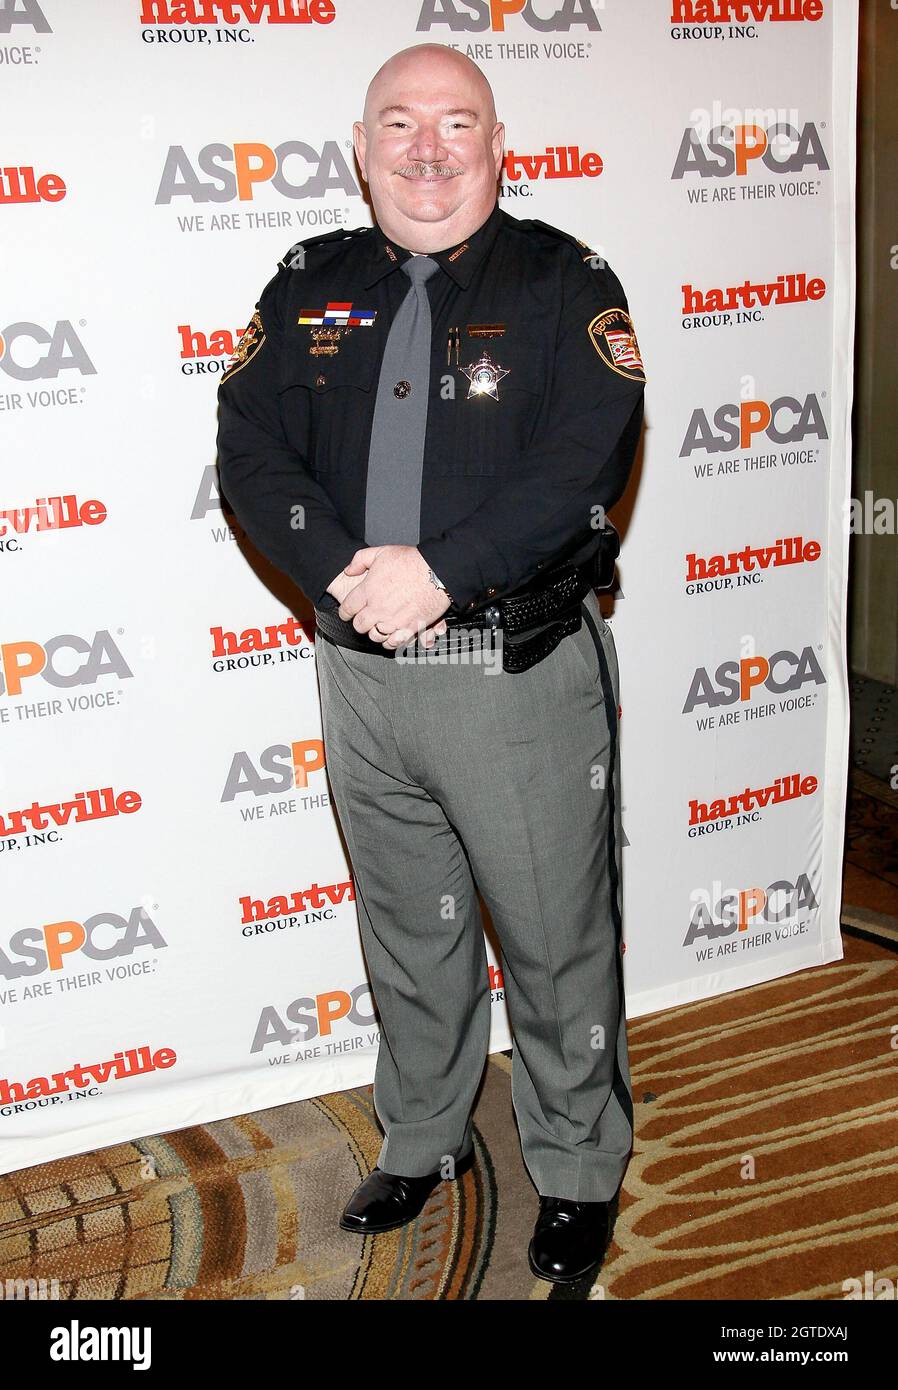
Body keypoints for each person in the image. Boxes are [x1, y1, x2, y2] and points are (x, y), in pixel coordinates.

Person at [216, 42, 646, 1286]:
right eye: (397, 123)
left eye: (455, 122)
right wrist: (349, 569)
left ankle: (572, 1163)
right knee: (410, 927)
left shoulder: (567, 280)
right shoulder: (309, 282)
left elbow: (580, 461)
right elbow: (251, 446)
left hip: (513, 676)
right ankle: (422, 1132)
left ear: (496, 144)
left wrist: (440, 571)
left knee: (556, 938)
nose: (426, 147)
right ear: (361, 148)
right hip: (357, 674)